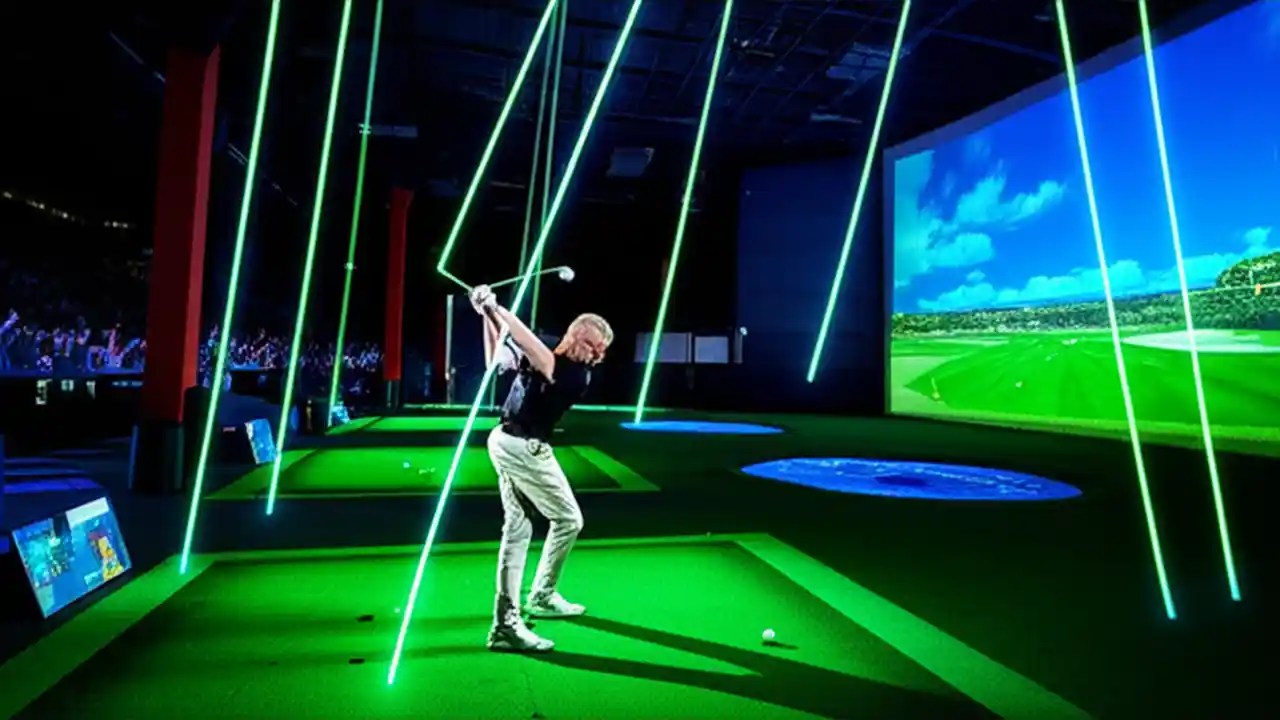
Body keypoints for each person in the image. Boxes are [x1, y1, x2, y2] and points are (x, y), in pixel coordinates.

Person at [468, 284, 613, 653]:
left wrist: (496, 309)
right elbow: (496, 360)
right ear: (576, 335)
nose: (598, 355)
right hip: (517, 446)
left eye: (602, 351)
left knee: (517, 530)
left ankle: (508, 621)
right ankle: (538, 599)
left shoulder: (576, 374)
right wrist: (487, 312)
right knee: (568, 520)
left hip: (515, 446)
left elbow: (535, 353)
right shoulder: (549, 349)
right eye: (594, 346)